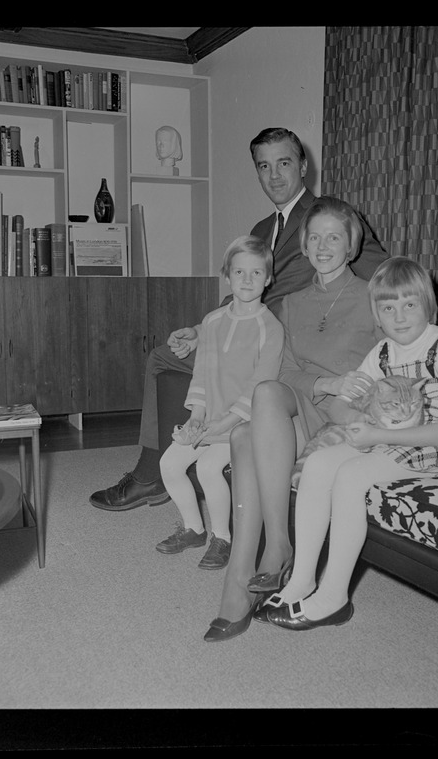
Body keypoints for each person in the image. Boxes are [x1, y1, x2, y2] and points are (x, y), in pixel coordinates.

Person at [89, 127, 392, 512]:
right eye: (264, 167)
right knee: (164, 356)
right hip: (243, 329)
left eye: (284, 163)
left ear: (303, 166)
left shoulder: (328, 218)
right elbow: (243, 292)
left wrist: (427, 334)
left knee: (174, 363)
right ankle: (166, 468)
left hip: (279, 344)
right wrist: (202, 331)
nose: (275, 176)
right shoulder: (262, 230)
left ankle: (150, 475)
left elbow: (386, 274)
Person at [264, 257, 438, 631]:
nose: (399, 317)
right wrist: (356, 420)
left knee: (352, 476)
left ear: (428, 305)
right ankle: (301, 580)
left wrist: (377, 436)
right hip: (391, 437)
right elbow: (340, 403)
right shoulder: (383, 352)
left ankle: (334, 597)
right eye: (388, 308)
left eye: (409, 305)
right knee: (320, 464)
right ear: (377, 315)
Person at [203, 195, 385, 641]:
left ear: (352, 245)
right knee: (265, 393)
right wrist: (326, 384)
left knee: (246, 435)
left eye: (334, 237)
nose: (323, 246)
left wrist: (356, 389)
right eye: (315, 237)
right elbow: (281, 372)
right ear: (303, 246)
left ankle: (239, 583)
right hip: (306, 409)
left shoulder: (373, 297)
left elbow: (395, 360)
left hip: (344, 421)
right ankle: (278, 545)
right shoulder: (290, 304)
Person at [155, 235, 284, 571]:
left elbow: (261, 384)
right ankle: (193, 529)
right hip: (208, 418)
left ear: (268, 278)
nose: (247, 280)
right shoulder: (212, 322)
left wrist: (223, 424)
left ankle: (222, 537)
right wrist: (196, 418)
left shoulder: (270, 327)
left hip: (241, 425)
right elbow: (201, 374)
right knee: (169, 464)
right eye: (239, 272)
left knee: (209, 467)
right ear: (227, 276)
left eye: (256, 273)